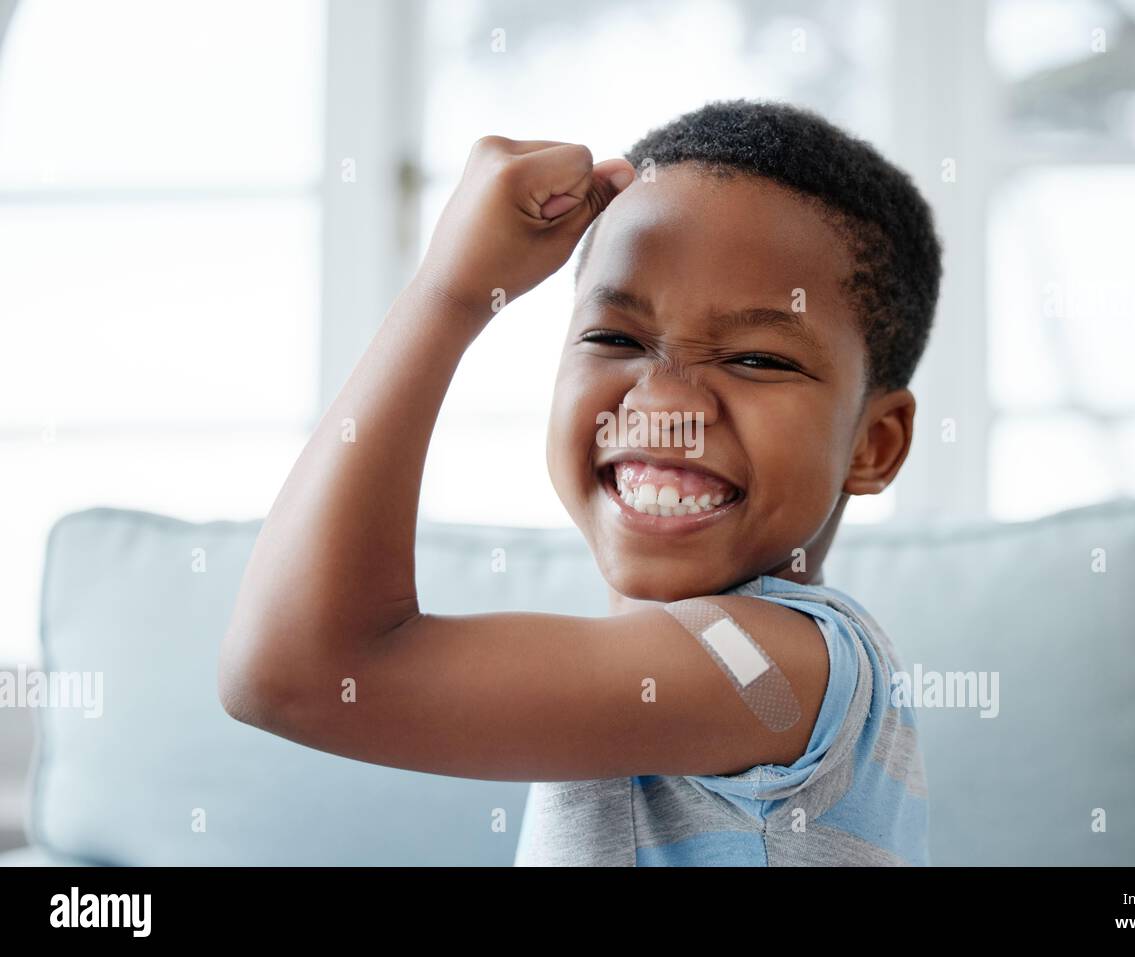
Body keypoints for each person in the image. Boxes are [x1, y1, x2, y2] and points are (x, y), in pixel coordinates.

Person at [219, 98, 943, 866]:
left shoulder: (772, 666)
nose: (665, 403)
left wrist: (451, 292)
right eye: (614, 337)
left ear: (874, 442)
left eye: (757, 358)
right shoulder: (693, 672)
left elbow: (296, 671)